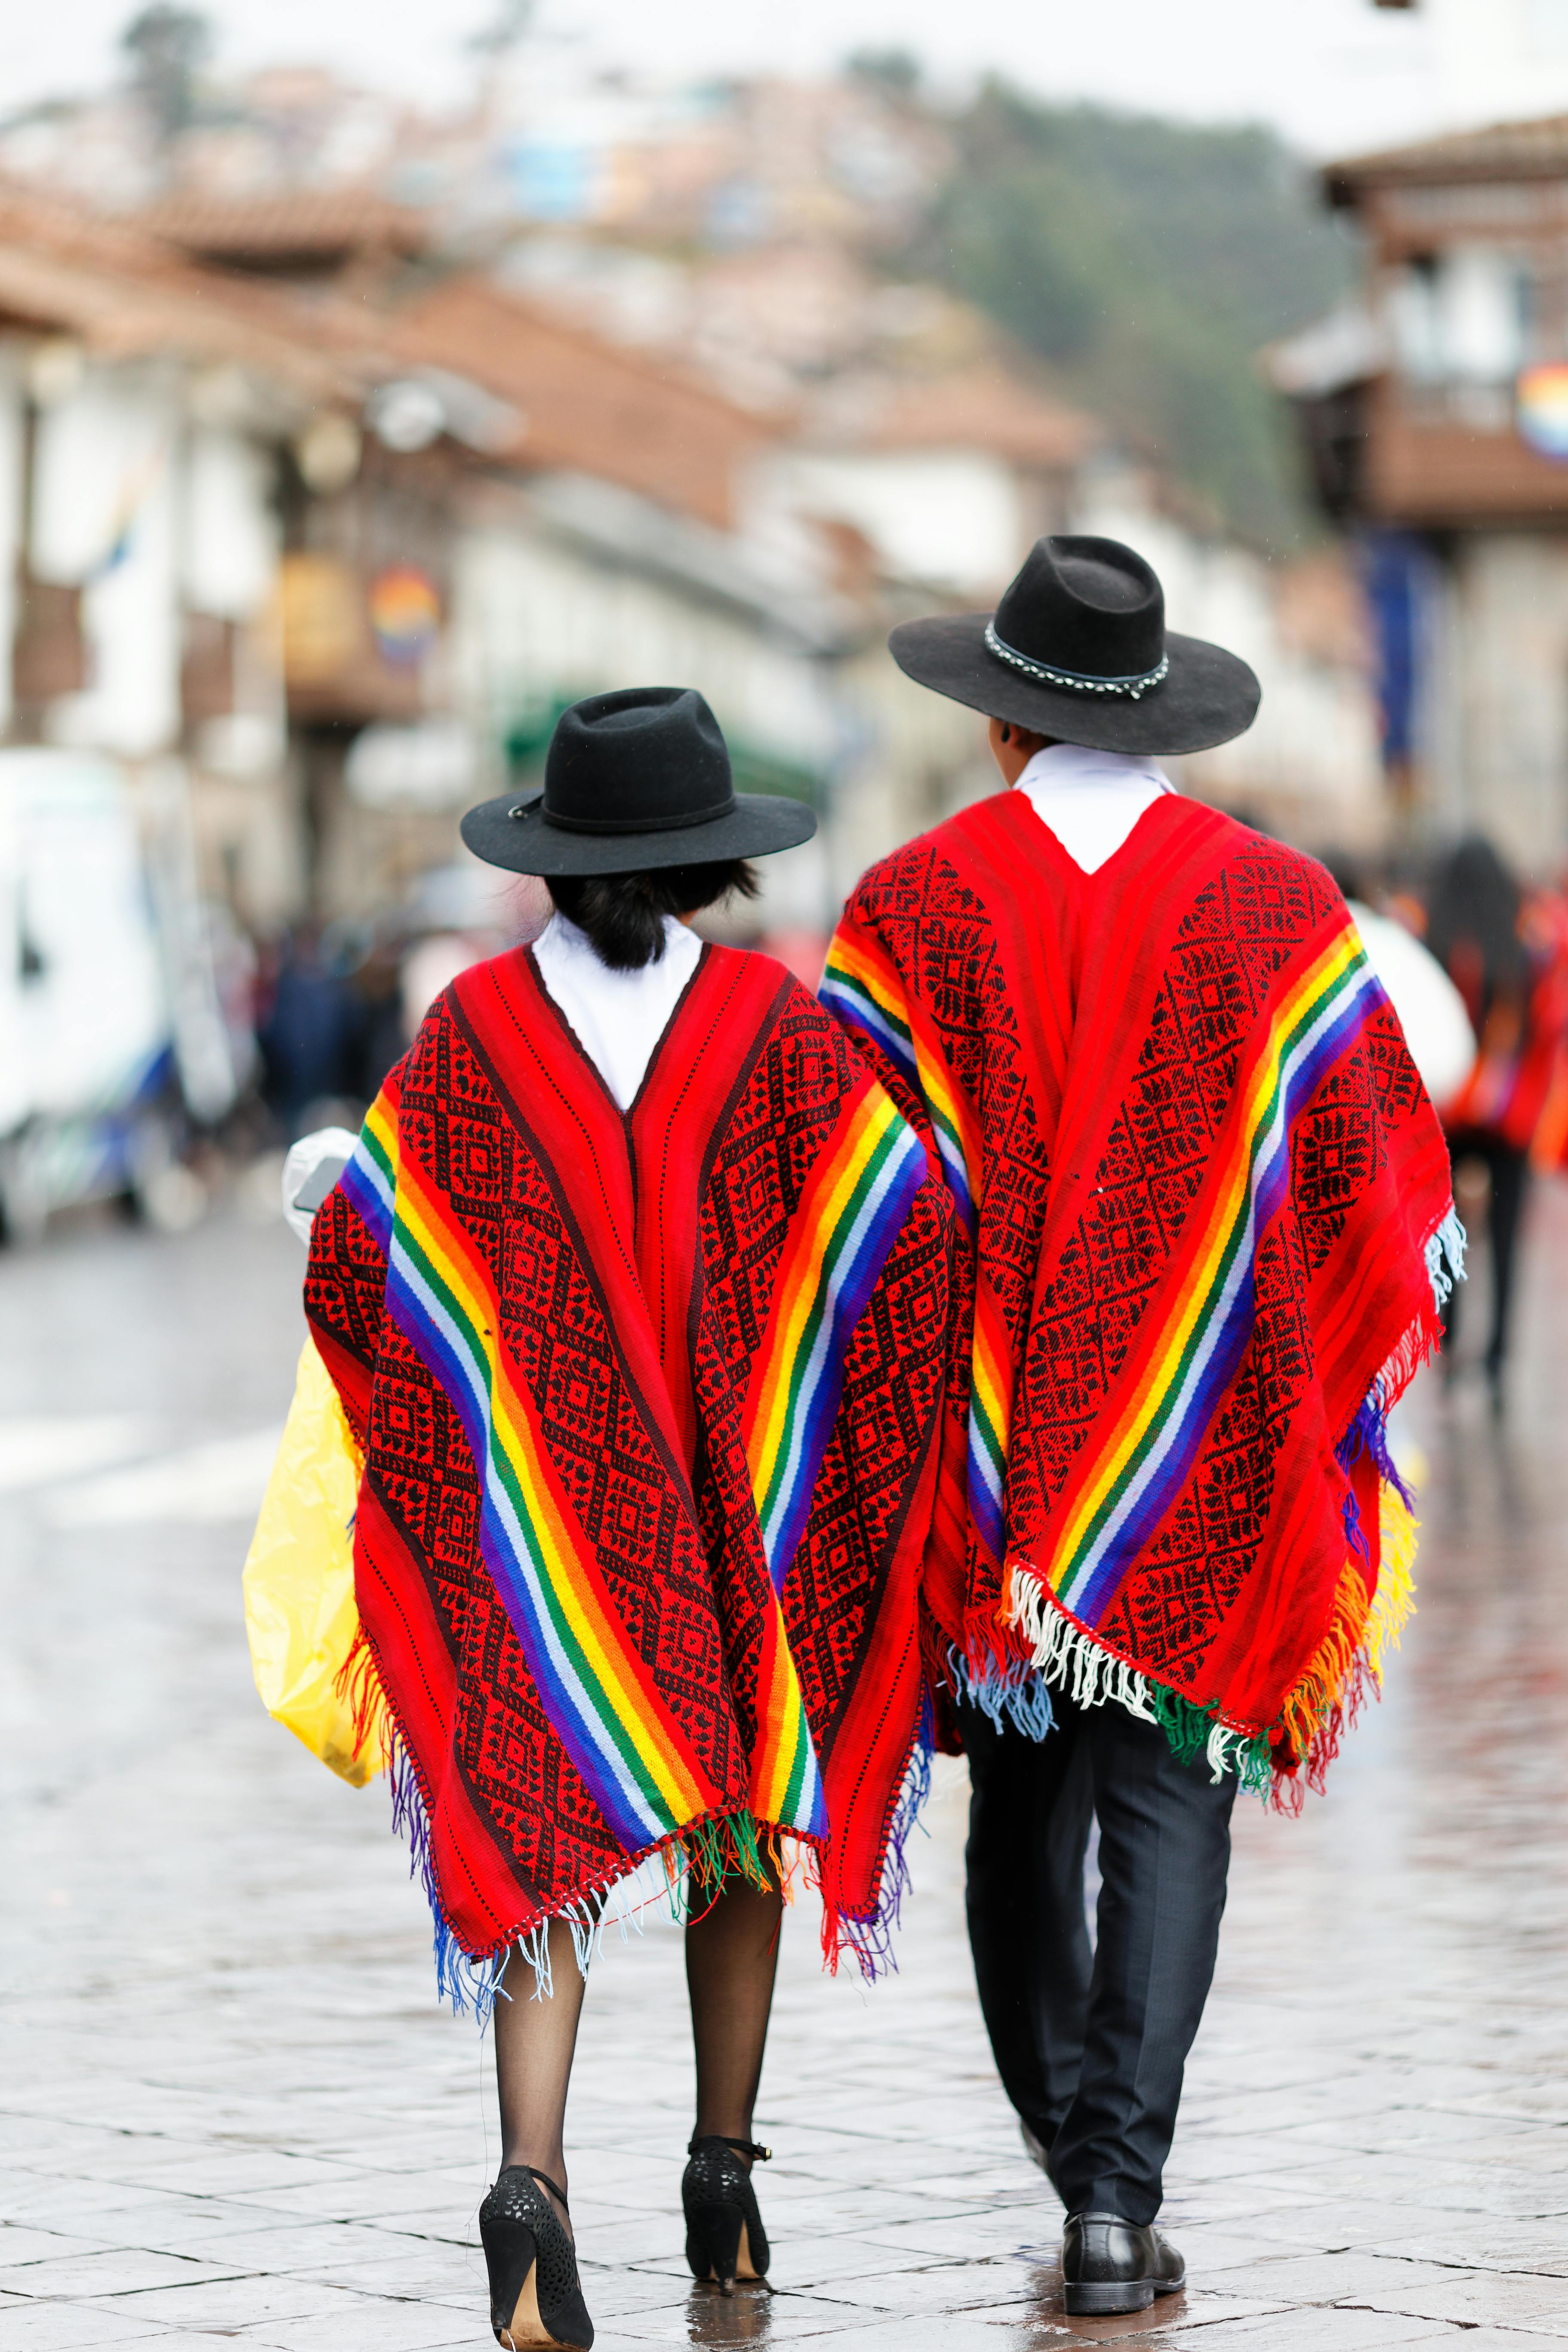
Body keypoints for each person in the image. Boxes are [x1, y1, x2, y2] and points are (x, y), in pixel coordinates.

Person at [253, 687, 950, 2352]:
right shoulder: (779, 1032)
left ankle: (530, 2185)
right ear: (715, 860)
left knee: (539, 1825)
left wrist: (332, 1196)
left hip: (539, 1526)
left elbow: (372, 1258)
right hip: (726, 1516)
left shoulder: (472, 1035)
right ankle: (722, 2173)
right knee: (740, 1813)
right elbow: (901, 1232)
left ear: (552, 862)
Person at [821, 536, 1461, 2318]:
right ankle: (1114, 2201)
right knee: (1172, 1799)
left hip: (986, 1466)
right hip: (1209, 1445)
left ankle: (1074, 2158)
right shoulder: (1277, 905)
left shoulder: (908, 908)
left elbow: (845, 1202)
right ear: (1159, 717)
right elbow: (1367, 1175)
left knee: (1018, 1811)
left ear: (1001, 726)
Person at [1425, 834, 1562, 1408]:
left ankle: (1449, 1341)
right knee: (1506, 1240)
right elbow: (1550, 1023)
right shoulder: (1527, 939)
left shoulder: (1436, 937)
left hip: (1451, 1110)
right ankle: (1499, 1361)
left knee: (1447, 1232)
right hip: (1510, 1115)